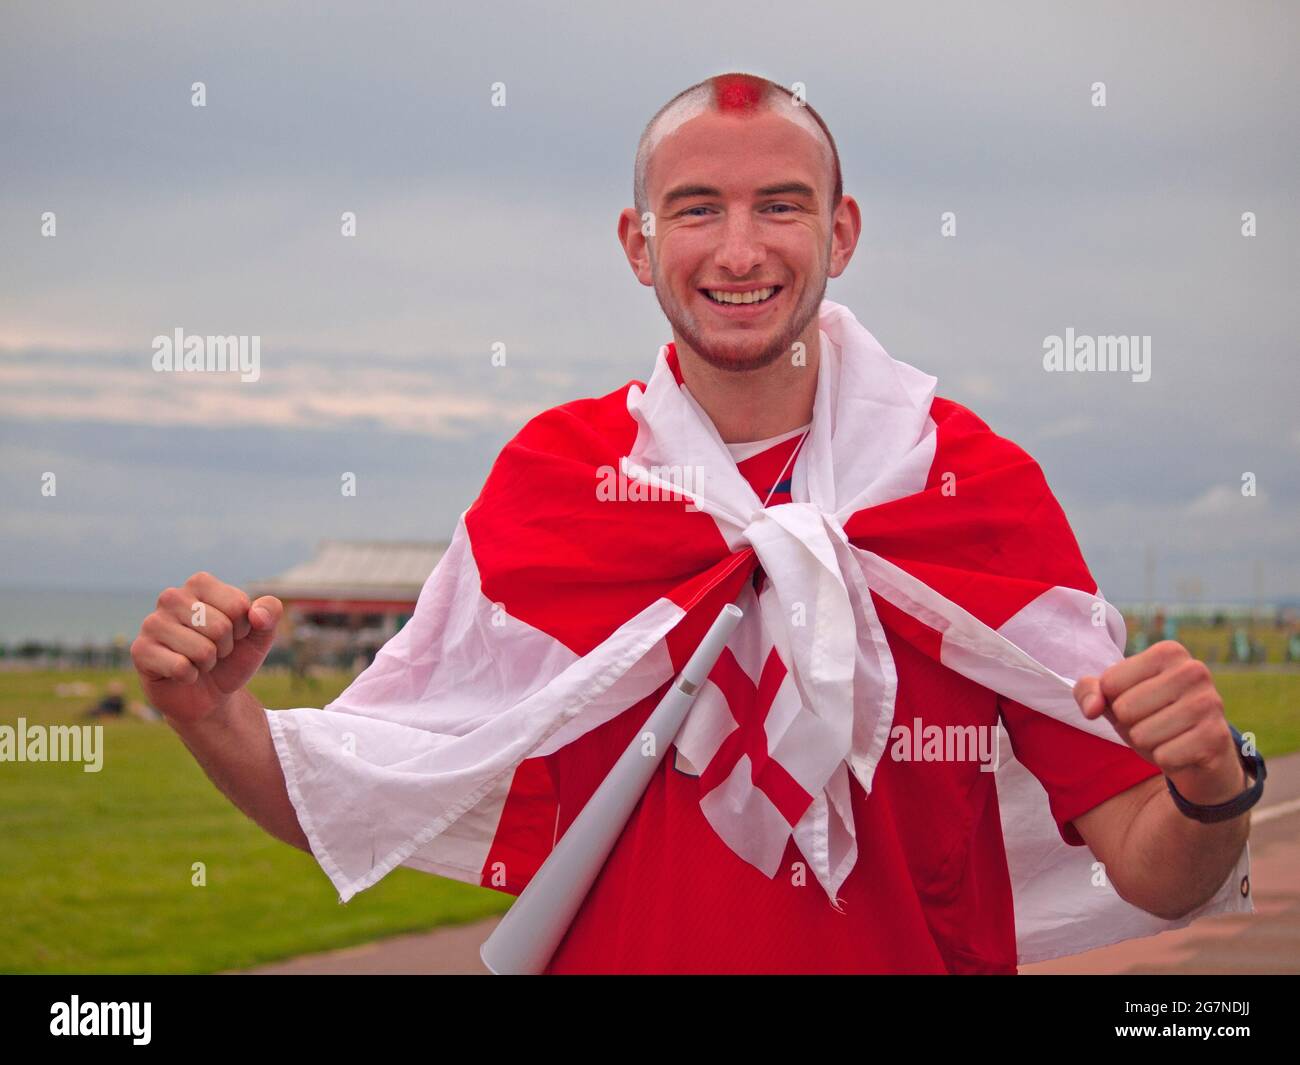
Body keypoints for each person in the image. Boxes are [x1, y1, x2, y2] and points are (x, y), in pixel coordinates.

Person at [131, 73, 1260, 974]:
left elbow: (1156, 874)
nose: (737, 250)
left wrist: (1210, 784)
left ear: (841, 230)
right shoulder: (555, 481)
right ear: (636, 244)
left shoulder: (971, 487)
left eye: (780, 205)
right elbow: (364, 790)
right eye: (695, 210)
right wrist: (207, 715)